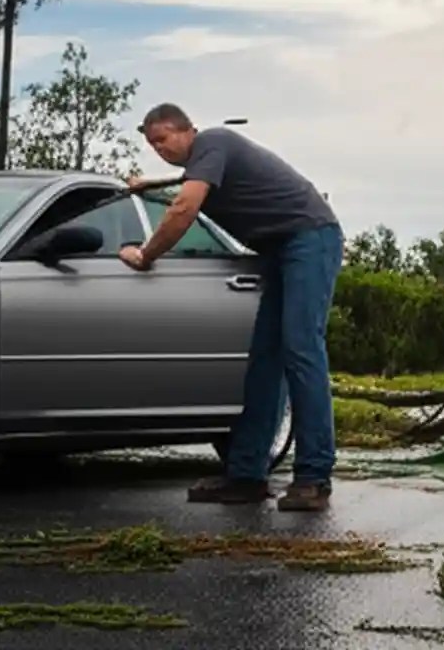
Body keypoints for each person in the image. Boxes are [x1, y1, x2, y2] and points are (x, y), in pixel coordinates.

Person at [119, 103, 344, 512]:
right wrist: (147, 185)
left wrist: (146, 254)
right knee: (265, 360)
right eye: (152, 144)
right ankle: (246, 476)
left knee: (300, 348)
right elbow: (184, 182)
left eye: (163, 139)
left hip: (310, 238)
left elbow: (185, 206)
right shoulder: (203, 162)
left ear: (187, 131)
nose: (158, 148)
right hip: (279, 249)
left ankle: (314, 477)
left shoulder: (214, 142)